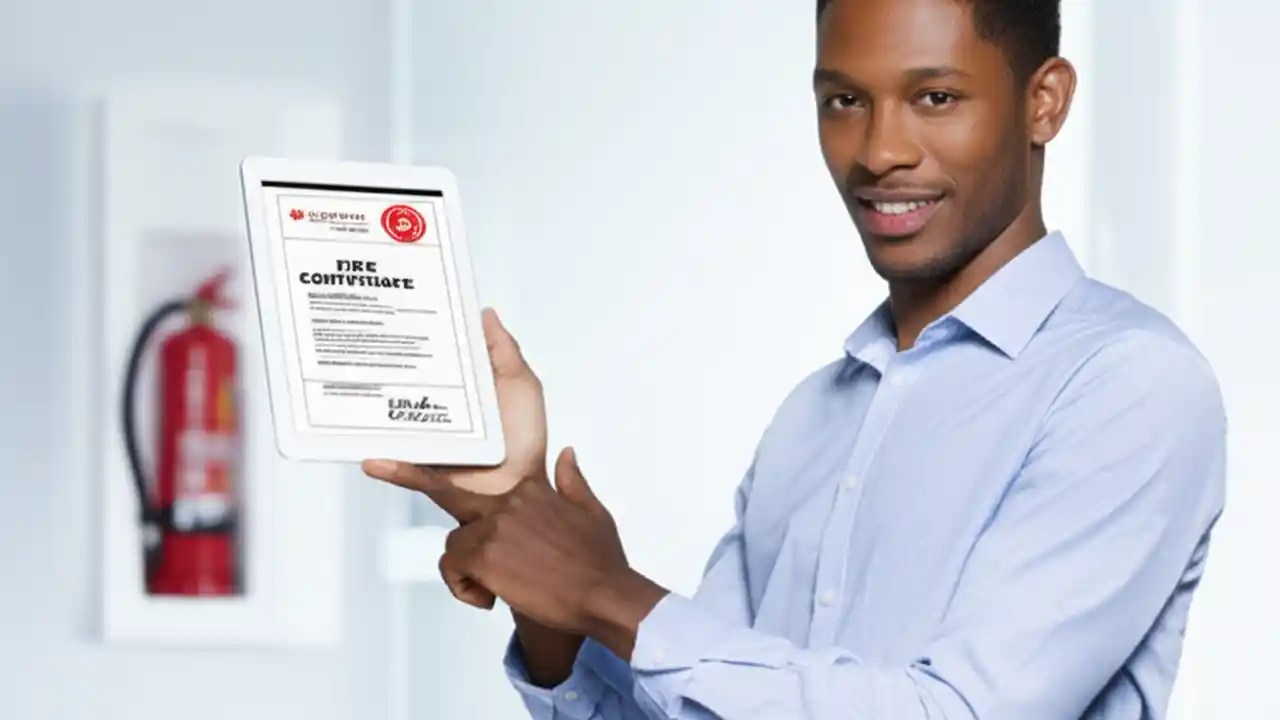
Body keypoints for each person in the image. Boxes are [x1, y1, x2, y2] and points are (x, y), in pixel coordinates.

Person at [361, 0, 1227, 717]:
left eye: (934, 98)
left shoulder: (1126, 384)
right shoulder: (817, 414)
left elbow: (964, 712)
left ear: (1044, 101)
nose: (880, 151)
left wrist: (606, 593)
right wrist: (527, 544)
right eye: (845, 101)